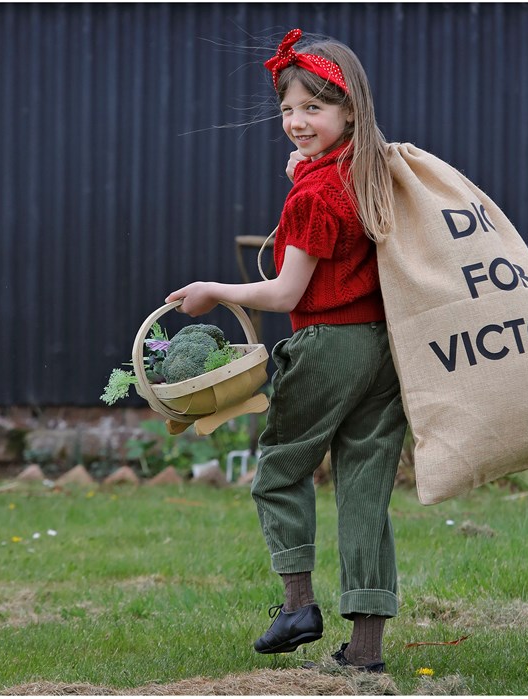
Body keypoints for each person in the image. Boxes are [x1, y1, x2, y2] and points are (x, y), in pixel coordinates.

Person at [165, 29, 407, 674]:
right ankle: (365, 656)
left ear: (348, 109)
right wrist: (308, 167)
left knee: (280, 469)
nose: (298, 123)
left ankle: (298, 605)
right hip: (388, 349)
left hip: (329, 345)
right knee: (363, 492)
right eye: (288, 111)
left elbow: (285, 291)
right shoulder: (374, 172)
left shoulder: (313, 196)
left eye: (313, 109)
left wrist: (215, 290)